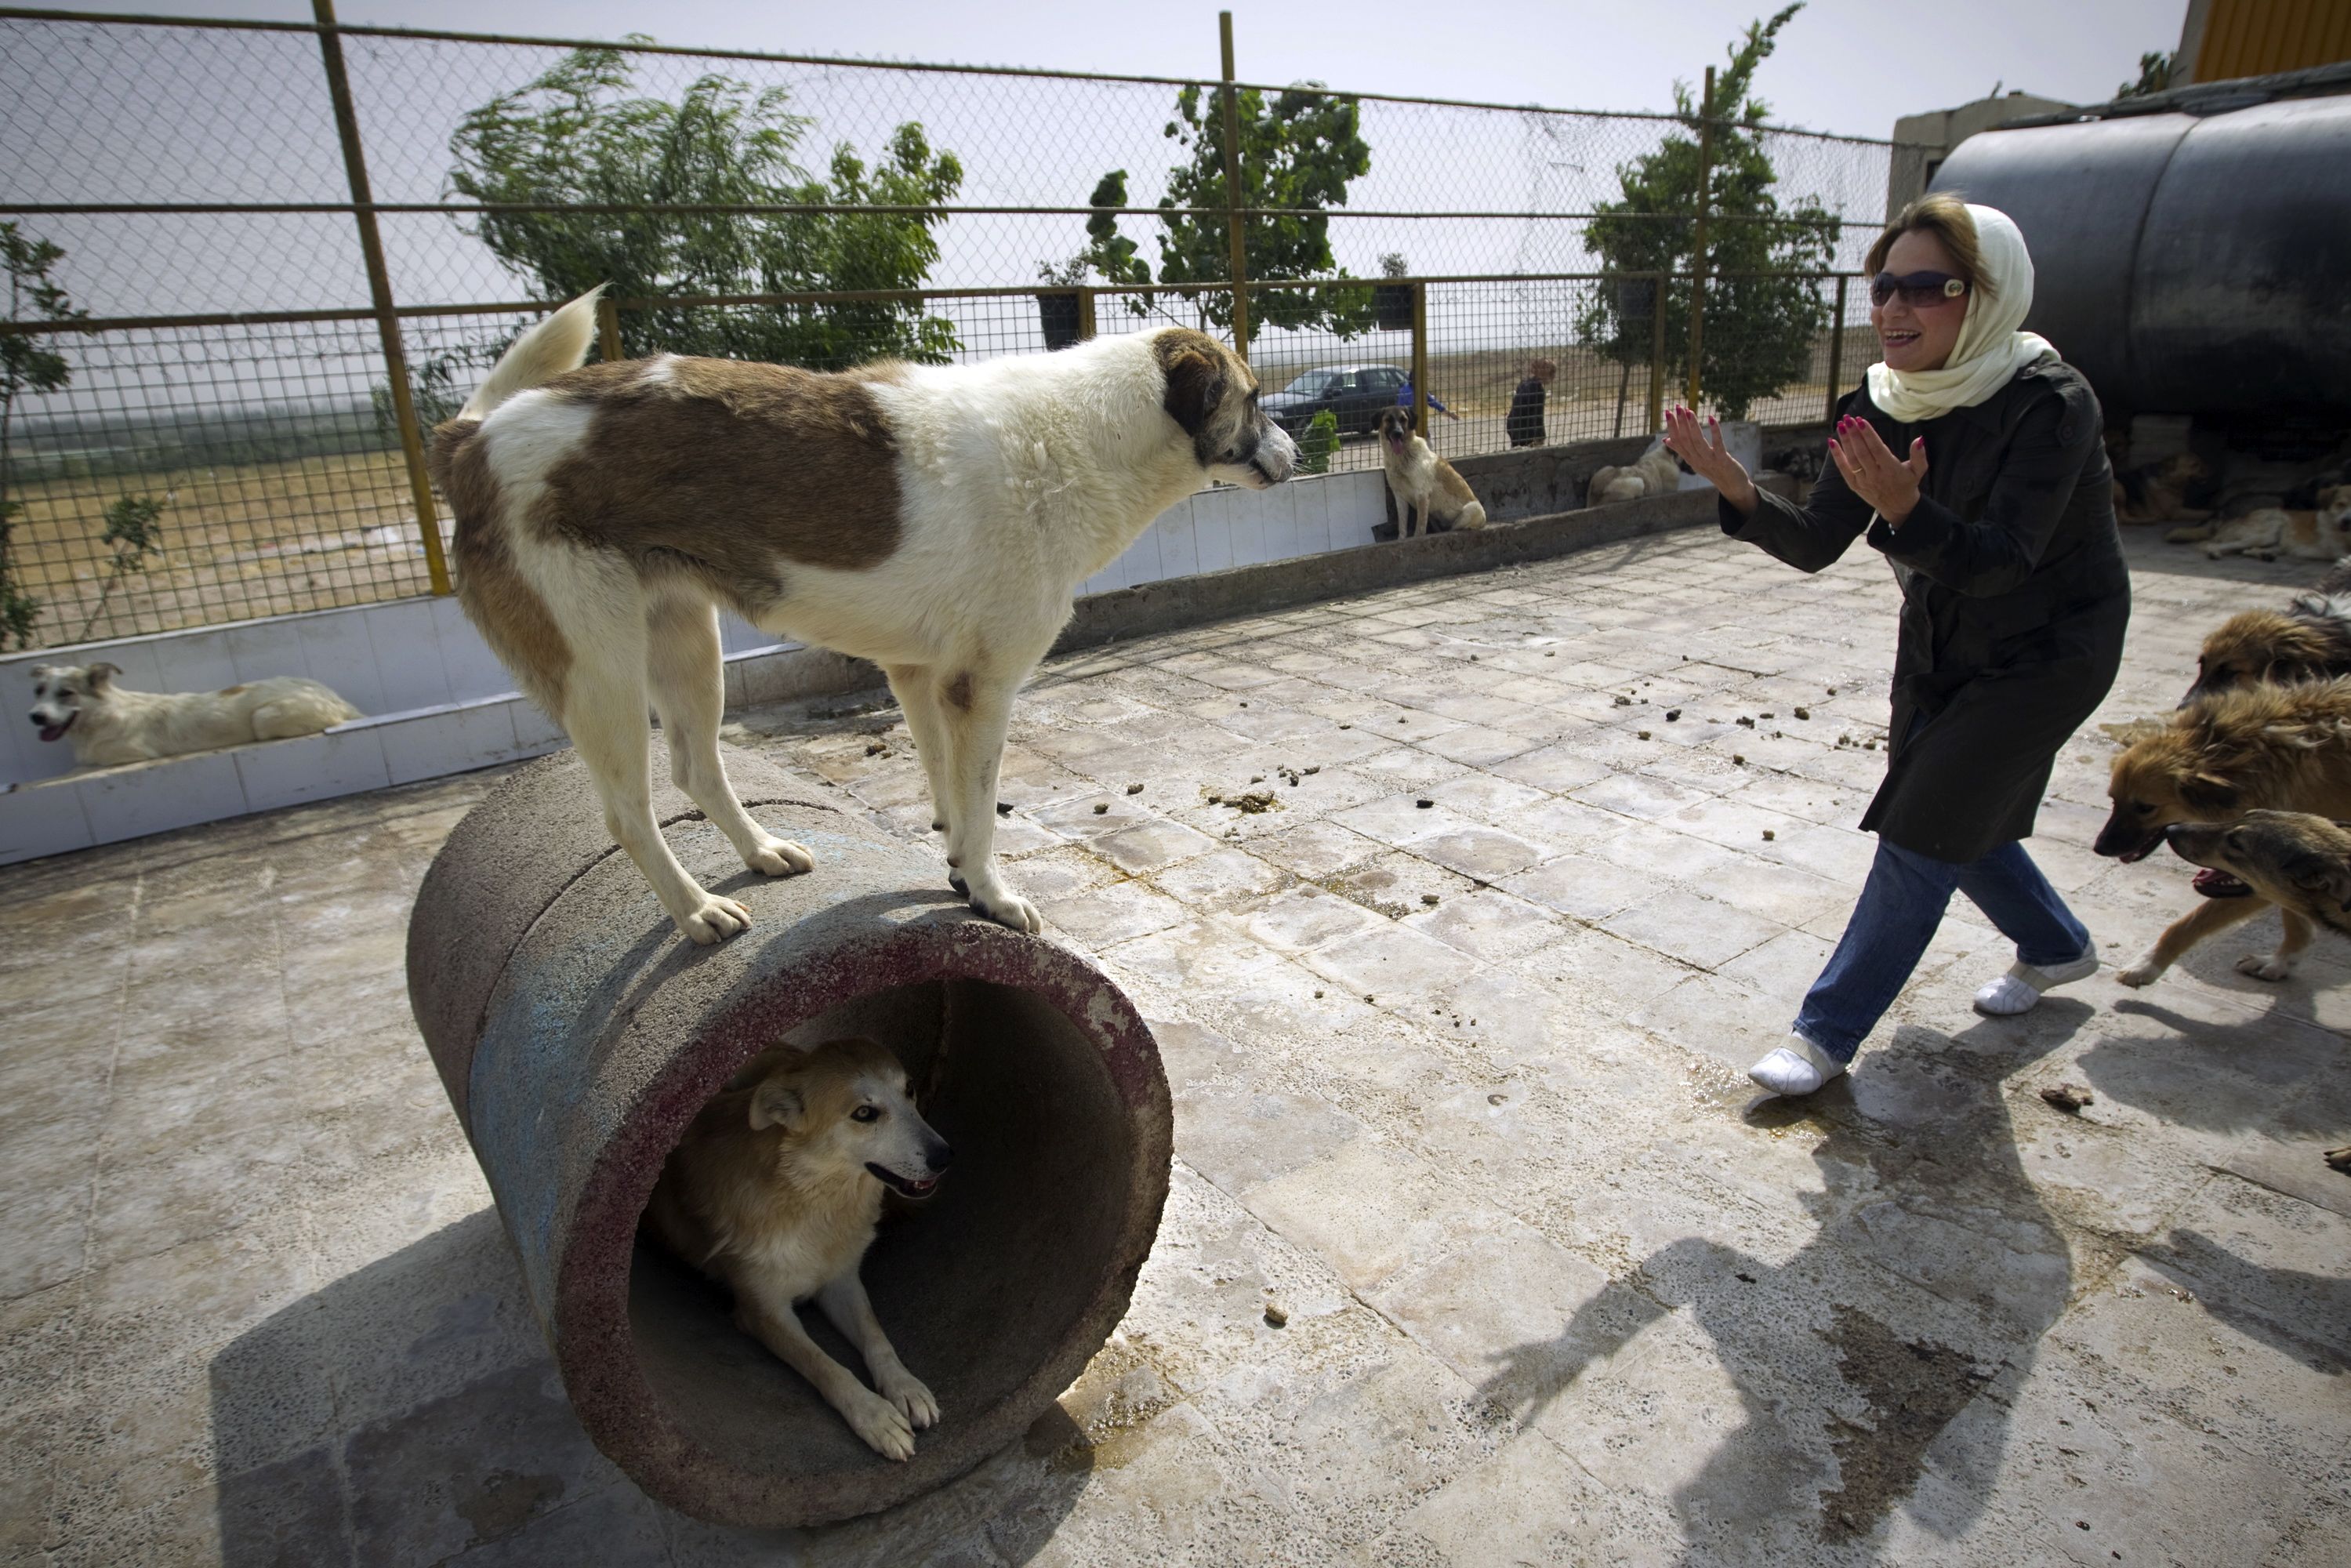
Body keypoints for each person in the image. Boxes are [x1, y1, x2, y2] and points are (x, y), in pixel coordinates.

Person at [1663, 194, 2128, 1098]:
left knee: (1925, 817)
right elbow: (1815, 542)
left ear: (1985, 296)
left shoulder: (2049, 403)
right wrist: (1736, 487)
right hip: (1942, 638)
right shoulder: (1871, 402)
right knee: (1957, 809)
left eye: (1927, 287)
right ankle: (2056, 946)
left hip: (2051, 646)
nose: (1892, 309)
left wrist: (1909, 511)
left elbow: (2002, 562)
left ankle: (1822, 1032)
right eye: (1883, 287)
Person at [1507, 358, 1556, 448]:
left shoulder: (1524, 382)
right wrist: (1541, 436)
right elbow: (1537, 416)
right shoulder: (1538, 390)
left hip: (1512, 423)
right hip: (1524, 428)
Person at [1395, 377, 1461, 421]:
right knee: (1426, 438)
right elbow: (1434, 403)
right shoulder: (1420, 389)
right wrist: (1450, 413)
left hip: (1400, 419)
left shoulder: (1404, 388)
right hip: (1412, 420)